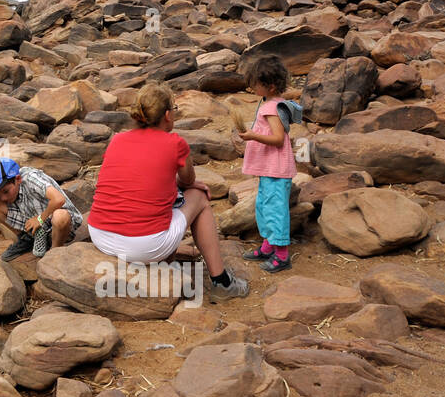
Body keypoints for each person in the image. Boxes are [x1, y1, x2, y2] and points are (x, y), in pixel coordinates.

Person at [85, 82, 248, 300]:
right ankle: (222, 283)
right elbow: (189, 180)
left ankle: (162, 265)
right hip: (142, 245)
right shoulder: (175, 143)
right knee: (198, 197)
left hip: (100, 234)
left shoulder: (118, 139)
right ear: (168, 115)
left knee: (163, 201)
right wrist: (188, 186)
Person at [238, 56, 297, 272]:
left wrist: (253, 136)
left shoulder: (272, 107)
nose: (252, 87)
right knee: (264, 206)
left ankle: (281, 255)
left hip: (276, 170)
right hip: (270, 169)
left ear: (270, 86)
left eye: (256, 84)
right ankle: (267, 246)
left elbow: (278, 138)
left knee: (275, 210)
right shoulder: (268, 103)